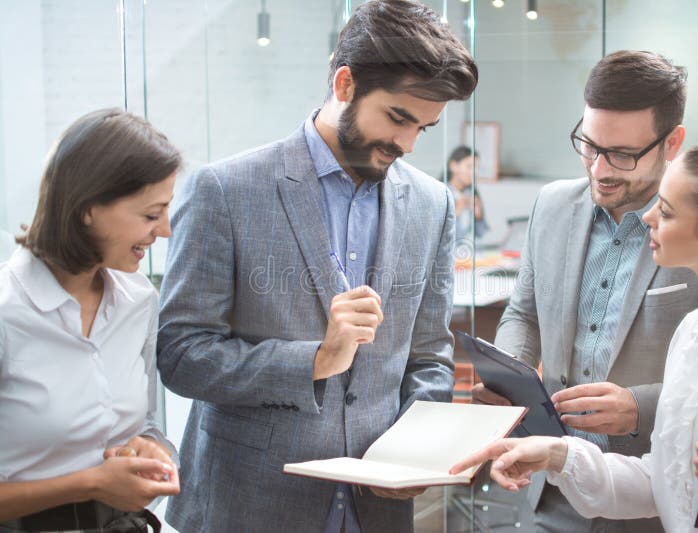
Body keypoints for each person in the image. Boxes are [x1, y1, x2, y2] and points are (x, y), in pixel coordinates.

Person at [155, 1, 478, 531]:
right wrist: (313, 360)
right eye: (398, 117)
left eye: (425, 127)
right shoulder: (225, 190)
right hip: (251, 504)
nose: (406, 143)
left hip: (380, 509)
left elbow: (428, 356)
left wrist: (413, 450)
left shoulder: (432, 203)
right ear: (345, 83)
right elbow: (181, 355)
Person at [451, 141, 698, 533]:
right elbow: (663, 483)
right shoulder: (694, 331)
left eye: (666, 211)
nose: (648, 217)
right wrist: (557, 454)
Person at [471, 50, 698, 532]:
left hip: (654, 493)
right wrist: (510, 376)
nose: (599, 169)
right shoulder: (552, 206)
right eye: (589, 145)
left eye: (622, 155)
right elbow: (525, 312)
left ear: (672, 142)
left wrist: (642, 407)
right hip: (549, 486)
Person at [0, 108, 181, 532]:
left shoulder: (139, 300)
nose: (166, 231)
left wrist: (154, 451)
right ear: (88, 209)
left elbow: (150, 425)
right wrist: (90, 485)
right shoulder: (8, 314)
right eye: (151, 215)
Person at [446, 145, 489, 241]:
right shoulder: (442, 193)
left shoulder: (471, 193)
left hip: (466, 251)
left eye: (477, 168)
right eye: (469, 166)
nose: (474, 172)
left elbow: (480, 233)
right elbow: (437, 234)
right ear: (453, 166)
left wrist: (478, 216)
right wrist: (456, 211)